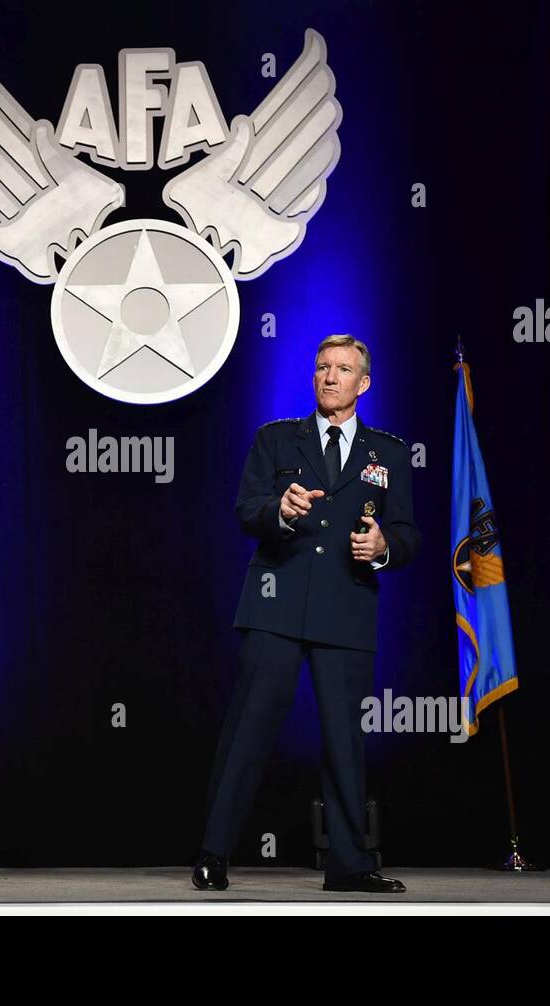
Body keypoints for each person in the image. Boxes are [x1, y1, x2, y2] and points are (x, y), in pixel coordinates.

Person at [192, 334, 420, 893]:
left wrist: (383, 546)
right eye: (321, 367)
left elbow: (409, 534)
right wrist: (282, 511)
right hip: (276, 605)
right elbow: (247, 510)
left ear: (363, 383)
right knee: (247, 732)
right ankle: (212, 855)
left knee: (346, 741)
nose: (329, 376)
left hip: (346, 610)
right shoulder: (275, 439)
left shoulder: (388, 453)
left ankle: (349, 864)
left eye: (343, 369)